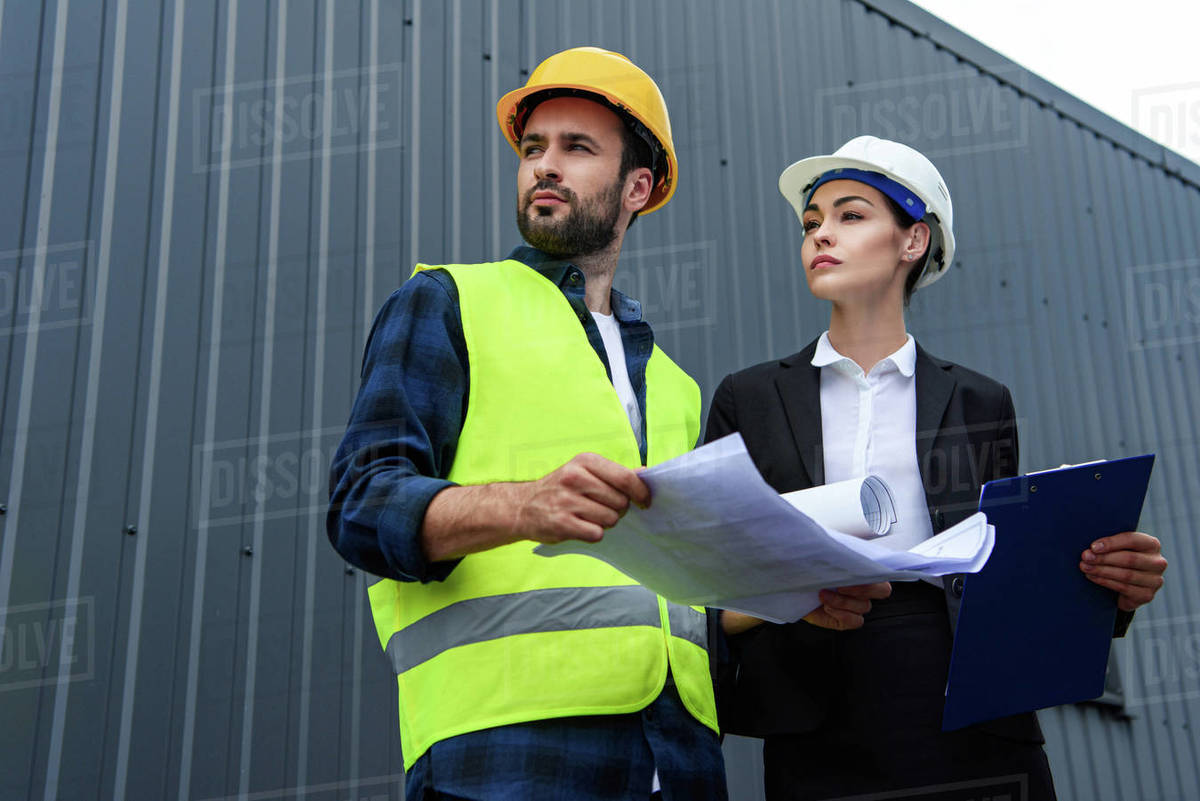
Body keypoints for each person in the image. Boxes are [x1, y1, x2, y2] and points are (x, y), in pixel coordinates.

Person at [705, 136, 1168, 801]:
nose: (820, 235)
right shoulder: (747, 397)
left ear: (913, 240)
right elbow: (709, 574)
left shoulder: (982, 400)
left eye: (850, 215)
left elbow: (1003, 569)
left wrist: (1106, 585)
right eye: (811, 223)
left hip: (965, 710)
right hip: (816, 721)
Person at [327, 47, 732, 800]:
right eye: (533, 148)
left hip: (677, 763)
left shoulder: (675, 386)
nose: (544, 166)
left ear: (636, 187)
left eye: (577, 149)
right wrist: (523, 505)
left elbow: (685, 600)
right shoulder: (447, 302)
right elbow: (360, 503)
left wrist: (793, 596)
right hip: (505, 758)